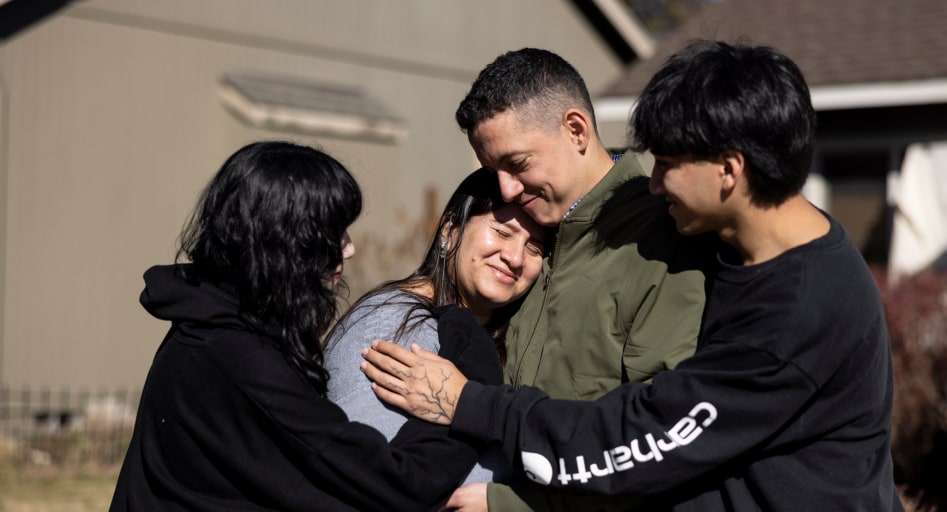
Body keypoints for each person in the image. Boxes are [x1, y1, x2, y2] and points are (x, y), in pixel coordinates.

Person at [361, 40, 904, 511]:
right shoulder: (743, 253)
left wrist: (471, 406)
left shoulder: (797, 308)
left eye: (667, 165)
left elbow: (649, 438)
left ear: (729, 170)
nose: (654, 182)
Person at [111, 140, 501, 511]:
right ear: (283, 241)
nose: (349, 248)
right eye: (333, 233)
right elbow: (401, 487)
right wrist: (467, 380)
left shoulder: (208, 329)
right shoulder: (241, 361)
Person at [449, 47, 713, 510]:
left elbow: (664, 444)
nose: (506, 189)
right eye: (493, 172)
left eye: (518, 164)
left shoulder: (663, 242)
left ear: (576, 130)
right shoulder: (529, 236)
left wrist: (512, 506)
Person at [323, 168, 548, 484]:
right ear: (449, 233)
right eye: (502, 232)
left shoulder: (508, 336)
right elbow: (373, 476)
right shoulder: (396, 325)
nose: (515, 258)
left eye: (534, 247)